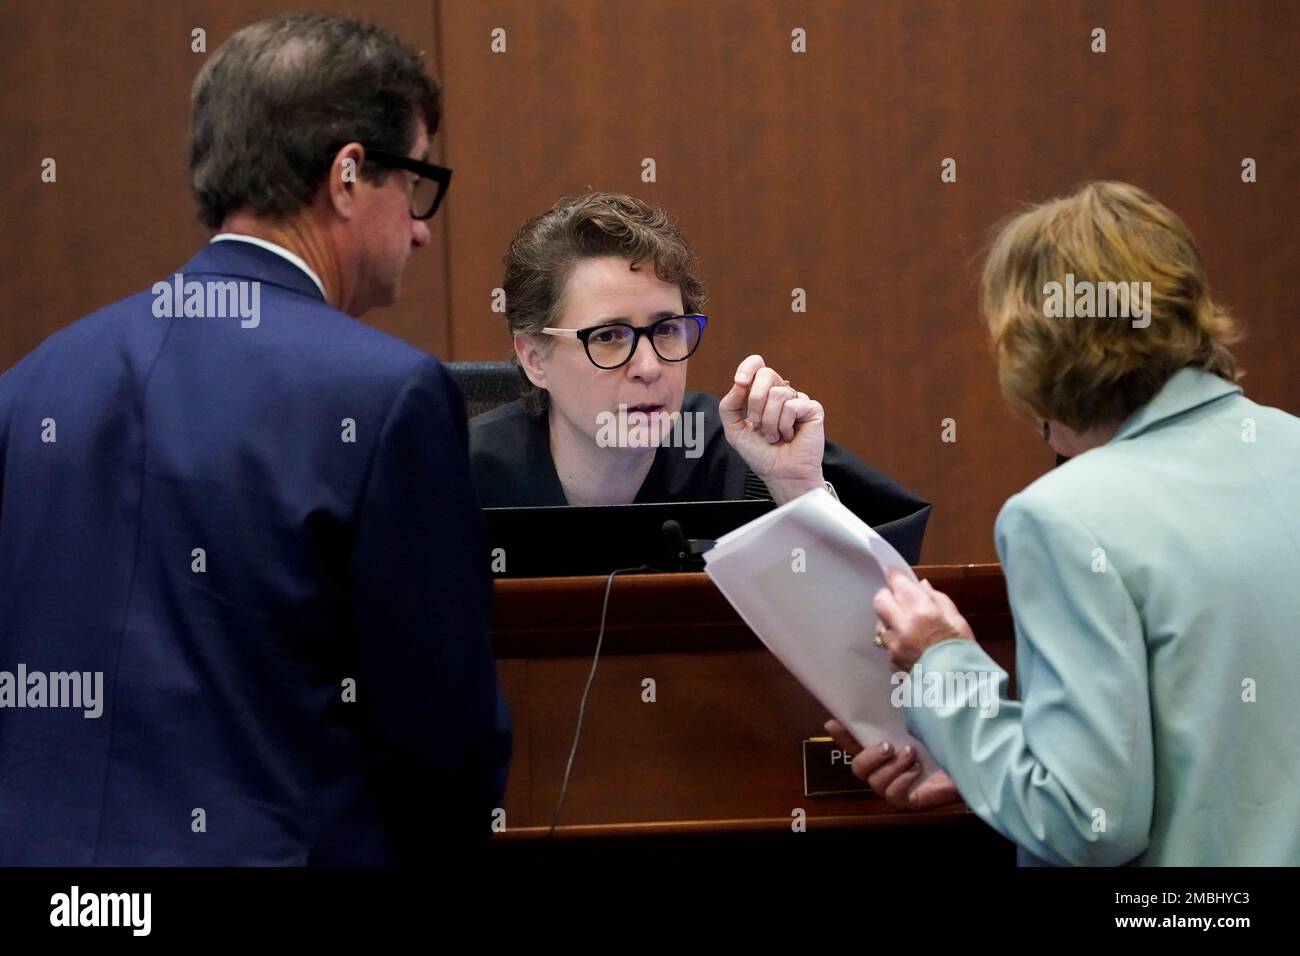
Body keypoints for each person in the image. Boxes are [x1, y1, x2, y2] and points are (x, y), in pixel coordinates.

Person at [0, 13, 509, 865]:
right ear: (349, 174)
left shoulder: (29, 385)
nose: (421, 227)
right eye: (416, 181)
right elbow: (442, 746)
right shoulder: (388, 396)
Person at [828, 181, 1300, 865]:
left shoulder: (1065, 517)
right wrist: (983, 763)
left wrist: (942, 666)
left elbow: (1088, 823)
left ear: (1030, 347)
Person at [470, 193, 931, 561]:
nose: (649, 368)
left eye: (667, 330)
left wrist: (798, 491)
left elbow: (880, 627)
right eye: (609, 336)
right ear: (534, 357)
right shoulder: (458, 476)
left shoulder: (741, 457)